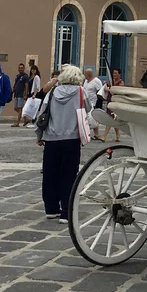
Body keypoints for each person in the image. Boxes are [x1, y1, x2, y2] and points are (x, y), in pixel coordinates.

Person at [36, 65, 87, 222]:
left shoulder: (52, 92)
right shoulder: (80, 92)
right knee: (69, 175)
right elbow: (88, 109)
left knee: (50, 174)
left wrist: (39, 135)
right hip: (71, 138)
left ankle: (51, 208)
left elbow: (42, 113)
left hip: (52, 137)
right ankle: (66, 210)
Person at [83, 67, 104, 141]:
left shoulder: (96, 81)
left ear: (88, 74)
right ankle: (90, 133)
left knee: (93, 118)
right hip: (86, 101)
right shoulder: (85, 81)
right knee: (88, 118)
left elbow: (100, 92)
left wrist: (98, 104)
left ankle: (96, 134)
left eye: (85, 74)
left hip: (94, 102)